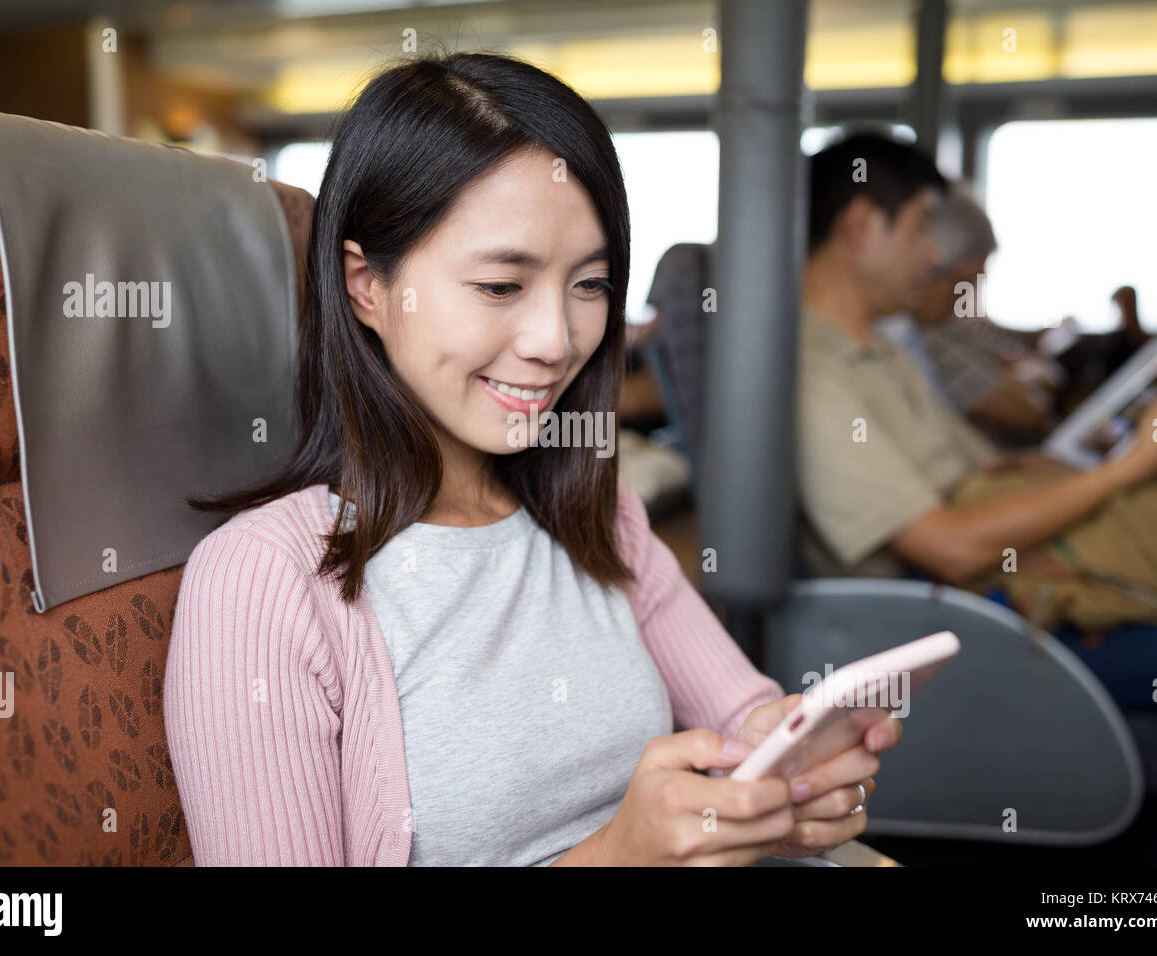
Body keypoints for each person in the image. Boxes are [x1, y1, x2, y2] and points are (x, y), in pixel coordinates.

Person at [162, 52, 903, 867]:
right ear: (367, 285)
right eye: (500, 287)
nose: (557, 343)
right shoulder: (265, 580)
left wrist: (801, 776)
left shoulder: (598, 515)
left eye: (589, 285)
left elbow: (748, 717)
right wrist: (618, 858)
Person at [795, 130, 1157, 863]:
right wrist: (1128, 471)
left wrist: (1129, 458)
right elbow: (950, 543)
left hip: (988, 589)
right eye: (923, 228)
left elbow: (987, 478)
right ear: (861, 226)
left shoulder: (885, 352)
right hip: (945, 623)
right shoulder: (812, 373)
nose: (933, 257)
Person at [878, 184, 1059, 442]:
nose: (963, 297)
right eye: (960, 282)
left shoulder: (925, 331)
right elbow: (1029, 413)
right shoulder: (915, 337)